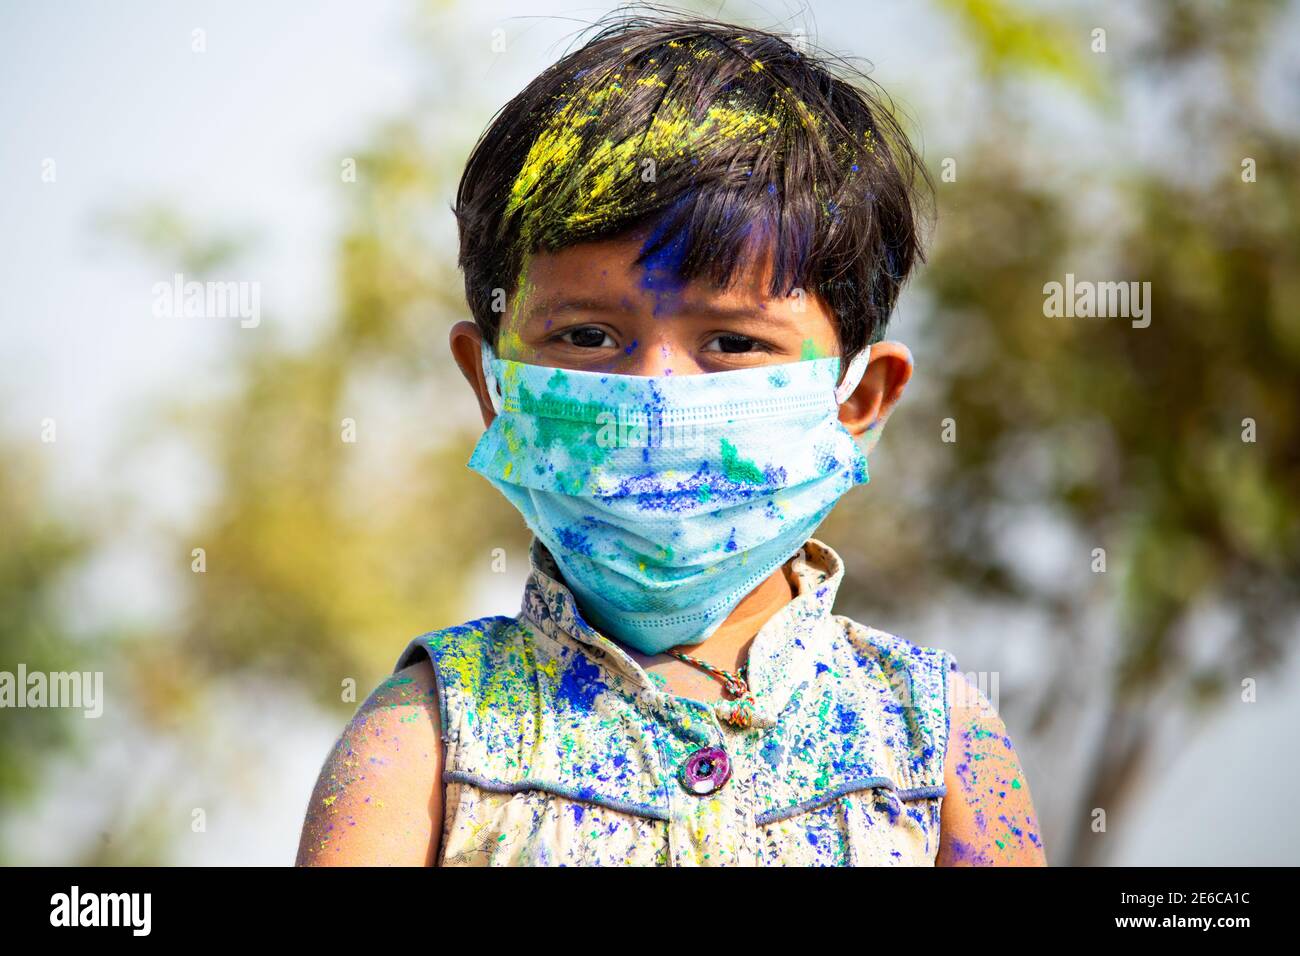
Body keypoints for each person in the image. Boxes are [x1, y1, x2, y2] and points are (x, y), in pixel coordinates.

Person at [297, 11, 1046, 867]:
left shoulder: (935, 739)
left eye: (733, 343)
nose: (654, 394)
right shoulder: (427, 739)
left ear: (858, 399)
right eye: (585, 337)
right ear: (491, 385)